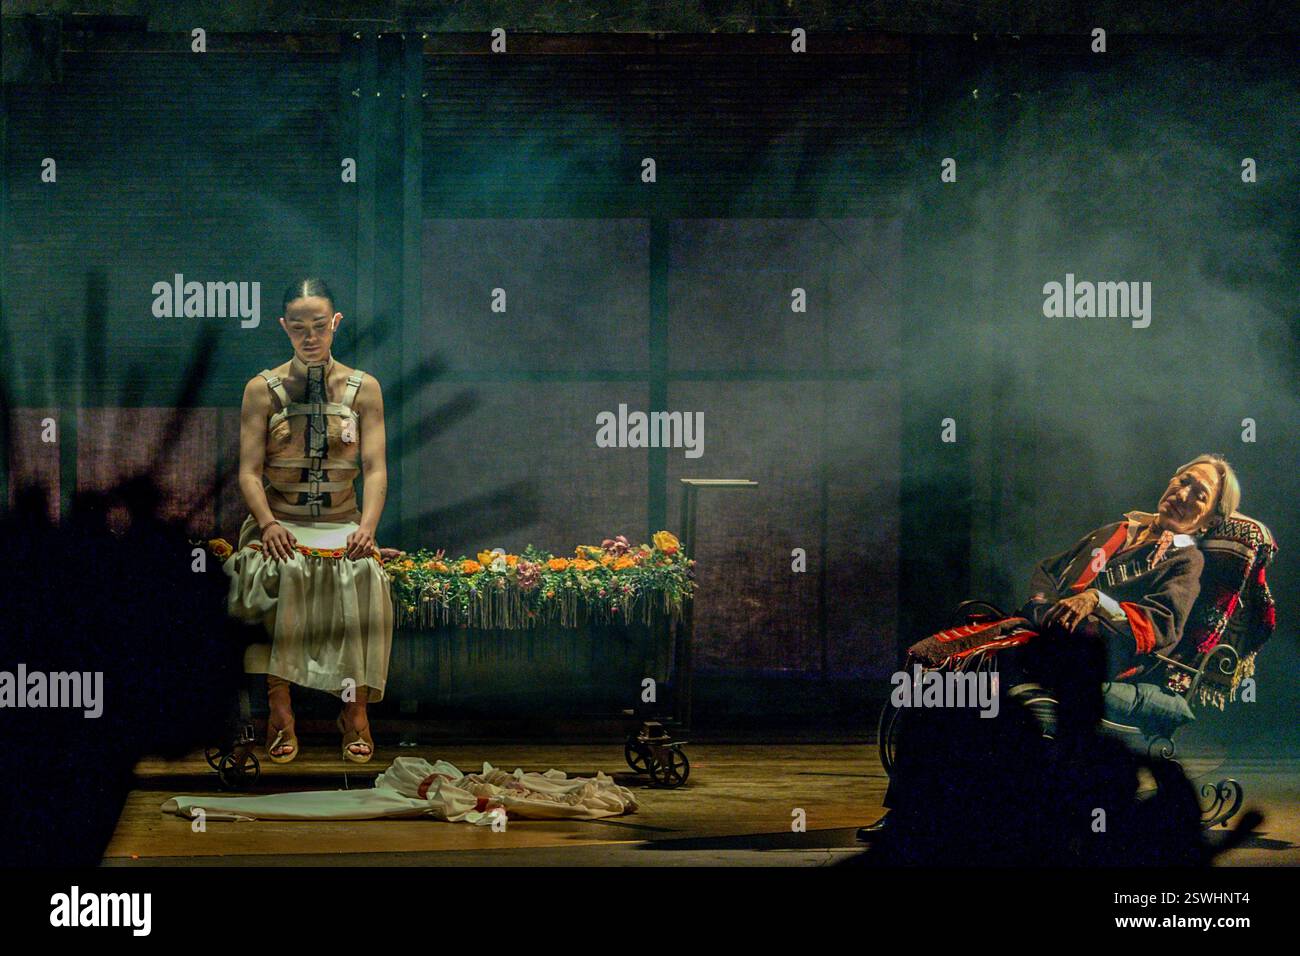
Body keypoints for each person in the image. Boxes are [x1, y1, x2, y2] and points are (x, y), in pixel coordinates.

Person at [858, 454, 1241, 841]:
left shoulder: (1186, 561)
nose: (1184, 493)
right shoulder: (1116, 532)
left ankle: (943, 814)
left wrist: (1096, 600)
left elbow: (1163, 625)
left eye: (1200, 493)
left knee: (978, 676)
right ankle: (912, 810)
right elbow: (1048, 568)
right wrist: (1043, 605)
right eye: (1184, 480)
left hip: (1099, 656)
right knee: (935, 666)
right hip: (1043, 634)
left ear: (1208, 519)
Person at [224, 278, 393, 764]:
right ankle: (280, 710)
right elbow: (249, 473)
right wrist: (269, 523)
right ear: (284, 328)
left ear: (335, 324)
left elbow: (376, 468)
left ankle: (354, 710)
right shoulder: (263, 389)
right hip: (280, 521)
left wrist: (368, 528)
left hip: (344, 520)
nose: (310, 336)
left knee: (364, 574)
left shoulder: (364, 389)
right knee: (283, 570)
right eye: (299, 328)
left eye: (319, 326)